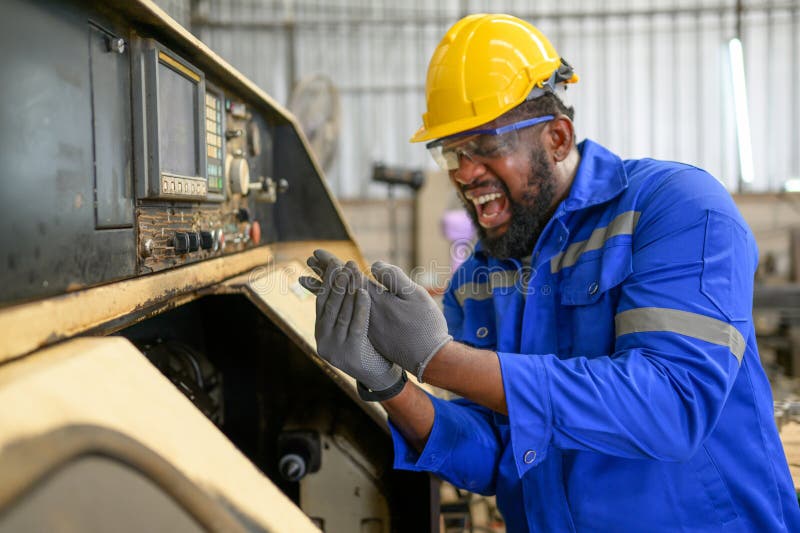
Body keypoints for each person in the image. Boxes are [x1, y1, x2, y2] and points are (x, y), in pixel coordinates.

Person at [299, 13, 800, 532]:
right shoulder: (482, 275)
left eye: (486, 145)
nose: (465, 173)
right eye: (452, 152)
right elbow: (499, 454)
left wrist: (438, 361)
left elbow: (670, 406)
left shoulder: (675, 208)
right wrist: (388, 384)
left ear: (557, 138)